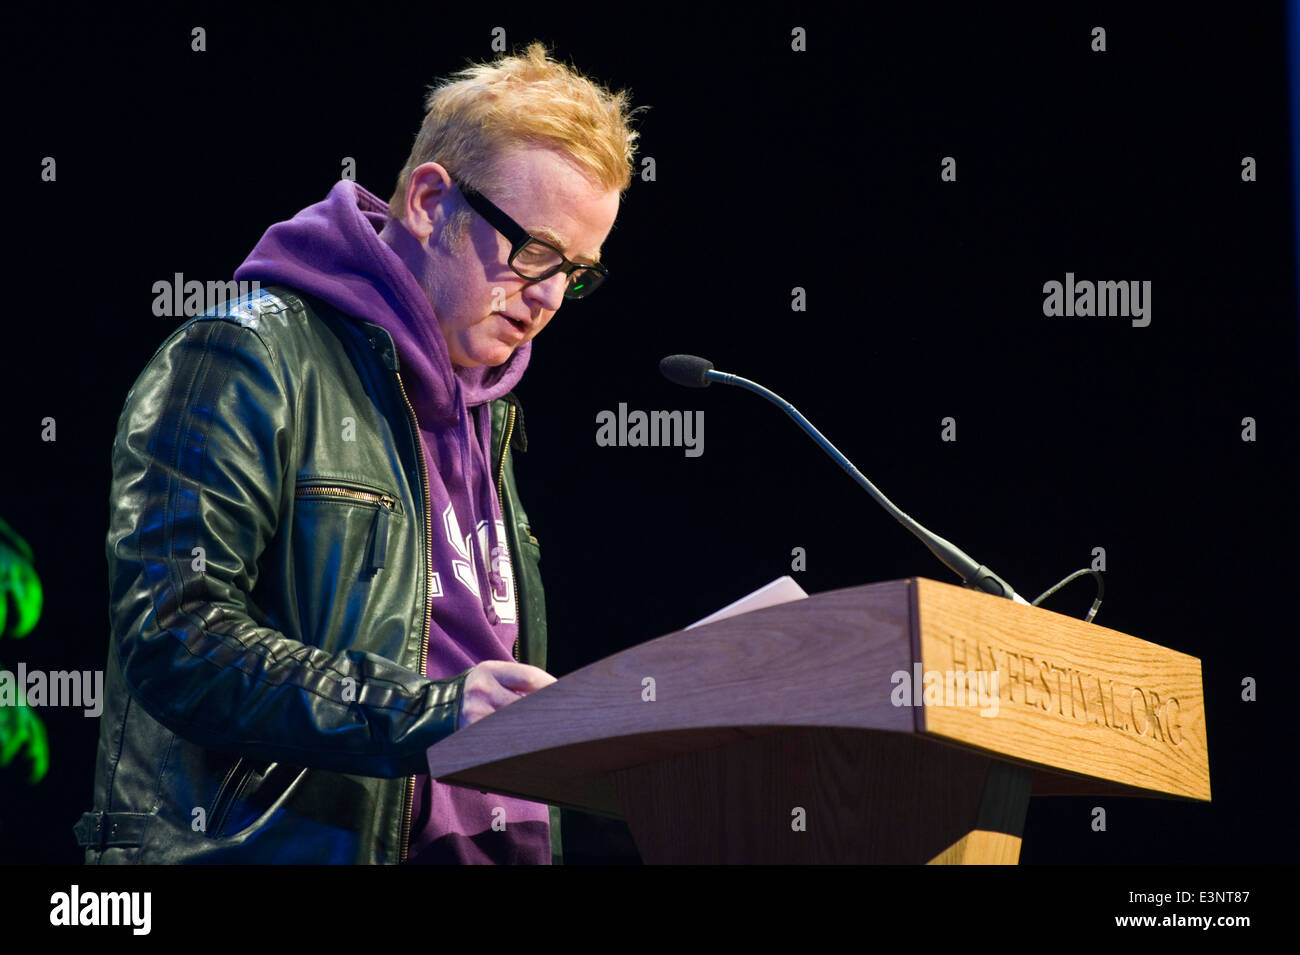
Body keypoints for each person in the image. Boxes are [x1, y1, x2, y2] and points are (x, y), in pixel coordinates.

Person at [74, 42, 639, 864]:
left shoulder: (492, 418)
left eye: (576, 273)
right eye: (536, 252)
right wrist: (429, 711)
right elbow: (176, 635)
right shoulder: (244, 359)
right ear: (429, 199)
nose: (551, 295)